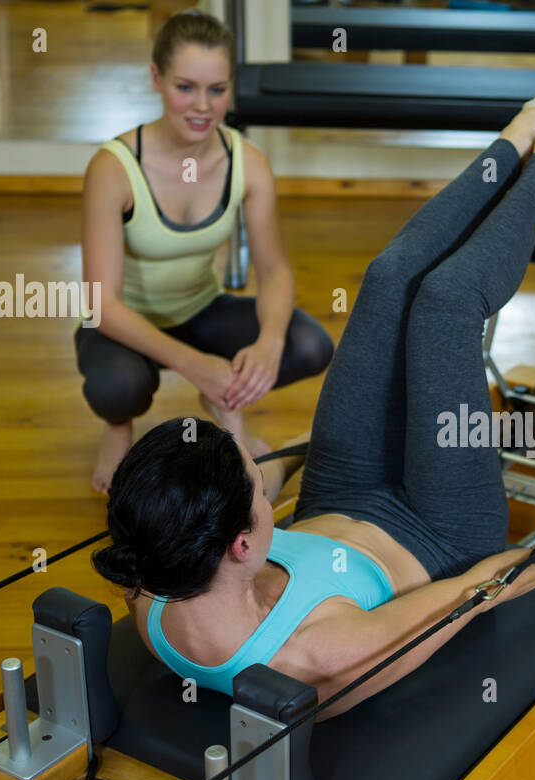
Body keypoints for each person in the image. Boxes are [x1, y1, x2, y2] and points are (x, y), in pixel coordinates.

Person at [93, 89, 535, 721]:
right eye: (260, 491)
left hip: (336, 492)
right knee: (447, 302)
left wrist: (290, 460)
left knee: (386, 281)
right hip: (438, 532)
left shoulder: (153, 583)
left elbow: (235, 495)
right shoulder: (320, 651)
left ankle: (512, 143)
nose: (267, 486)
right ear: (241, 545)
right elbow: (472, 593)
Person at [76, 10, 334, 494]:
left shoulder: (248, 163)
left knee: (310, 344)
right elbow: (100, 304)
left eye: (217, 89)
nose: (202, 106)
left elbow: (275, 270)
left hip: (199, 308)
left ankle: (219, 399)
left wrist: (268, 343)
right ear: (156, 78)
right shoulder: (113, 168)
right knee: (118, 387)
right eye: (185, 87)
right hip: (122, 322)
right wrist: (199, 365)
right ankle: (118, 429)